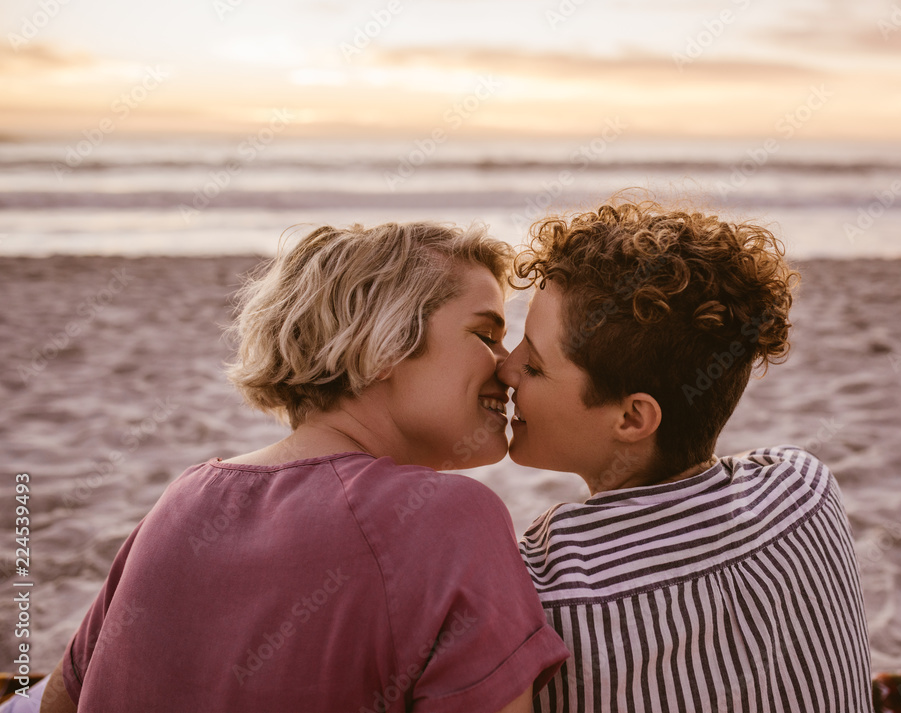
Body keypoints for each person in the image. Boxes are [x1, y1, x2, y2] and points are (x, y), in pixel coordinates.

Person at [40, 221, 569, 713]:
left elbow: (59, 700)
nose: (507, 365)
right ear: (383, 342)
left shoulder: (180, 500)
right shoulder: (449, 518)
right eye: (485, 334)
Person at [498, 198, 873, 712]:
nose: (506, 368)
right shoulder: (805, 489)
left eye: (535, 365)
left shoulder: (543, 593)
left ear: (632, 418)